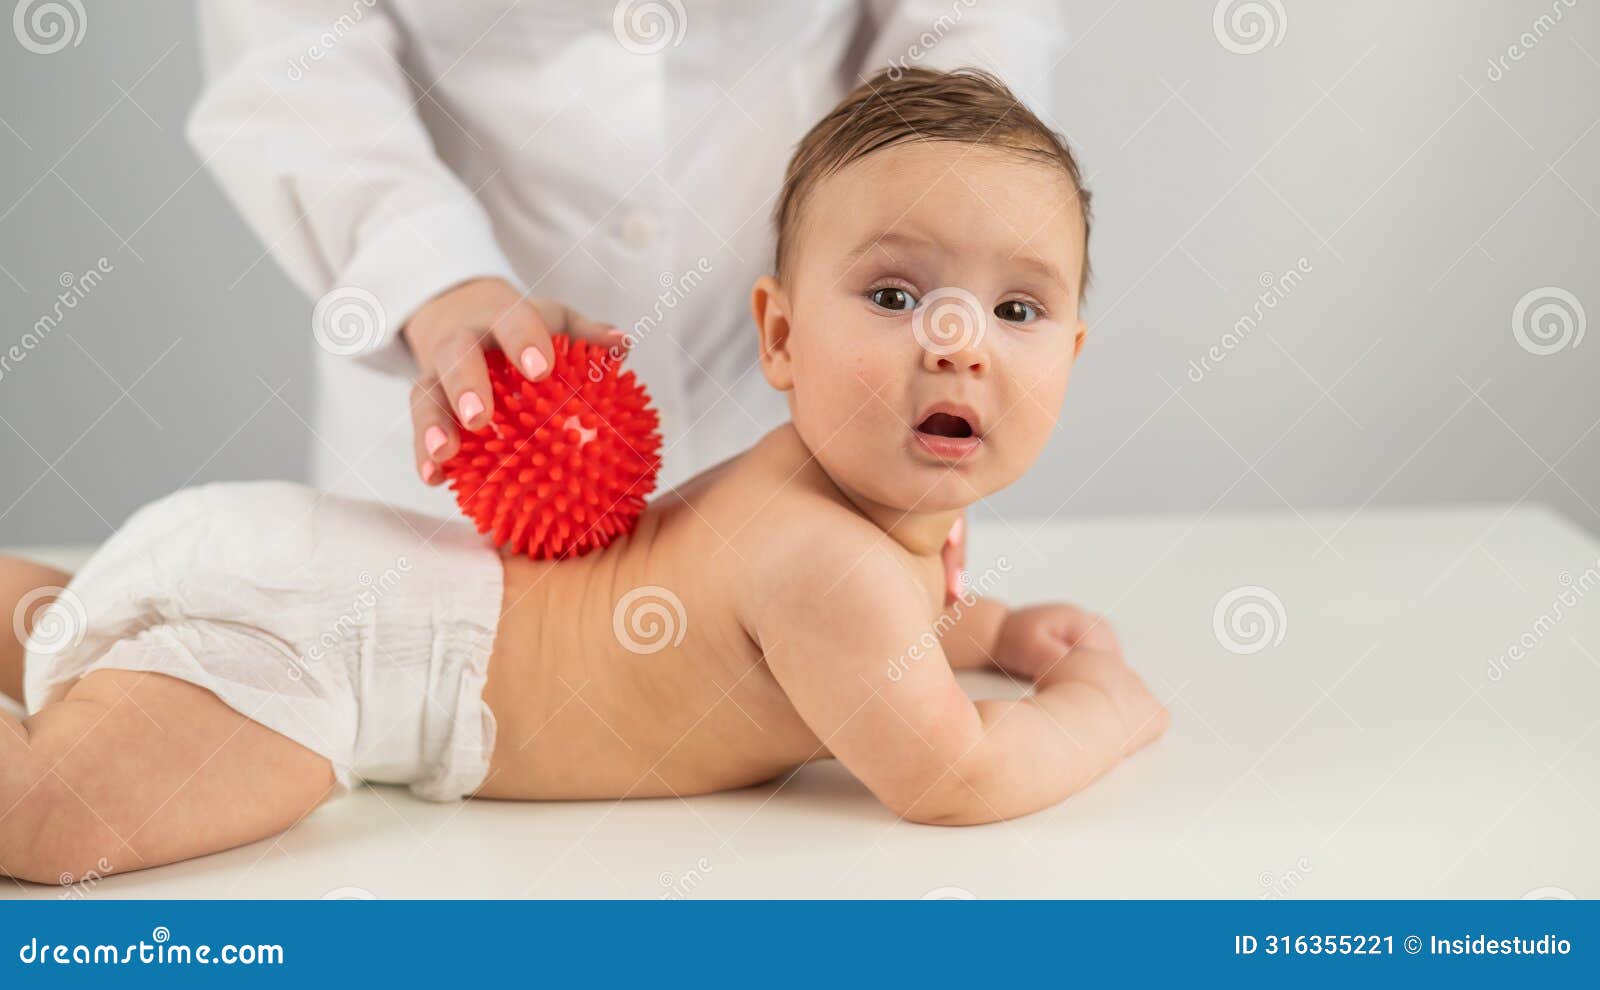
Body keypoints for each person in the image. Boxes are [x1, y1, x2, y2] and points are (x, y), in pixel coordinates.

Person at [0, 67, 1167, 882]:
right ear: (781, 341)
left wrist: (995, 628)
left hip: (317, 566)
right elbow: (948, 774)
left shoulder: (815, 519)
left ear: (1069, 356)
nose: (956, 337)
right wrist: (1096, 712)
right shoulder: (828, 565)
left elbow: (886, 636)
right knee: (50, 820)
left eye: (1016, 308)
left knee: (68, 626)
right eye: (895, 295)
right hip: (336, 657)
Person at [187, 0, 1069, 602]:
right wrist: (433, 275)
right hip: (459, 422)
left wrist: (928, 248)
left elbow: (970, 24)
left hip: (789, 419)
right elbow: (289, 51)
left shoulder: (835, 567)